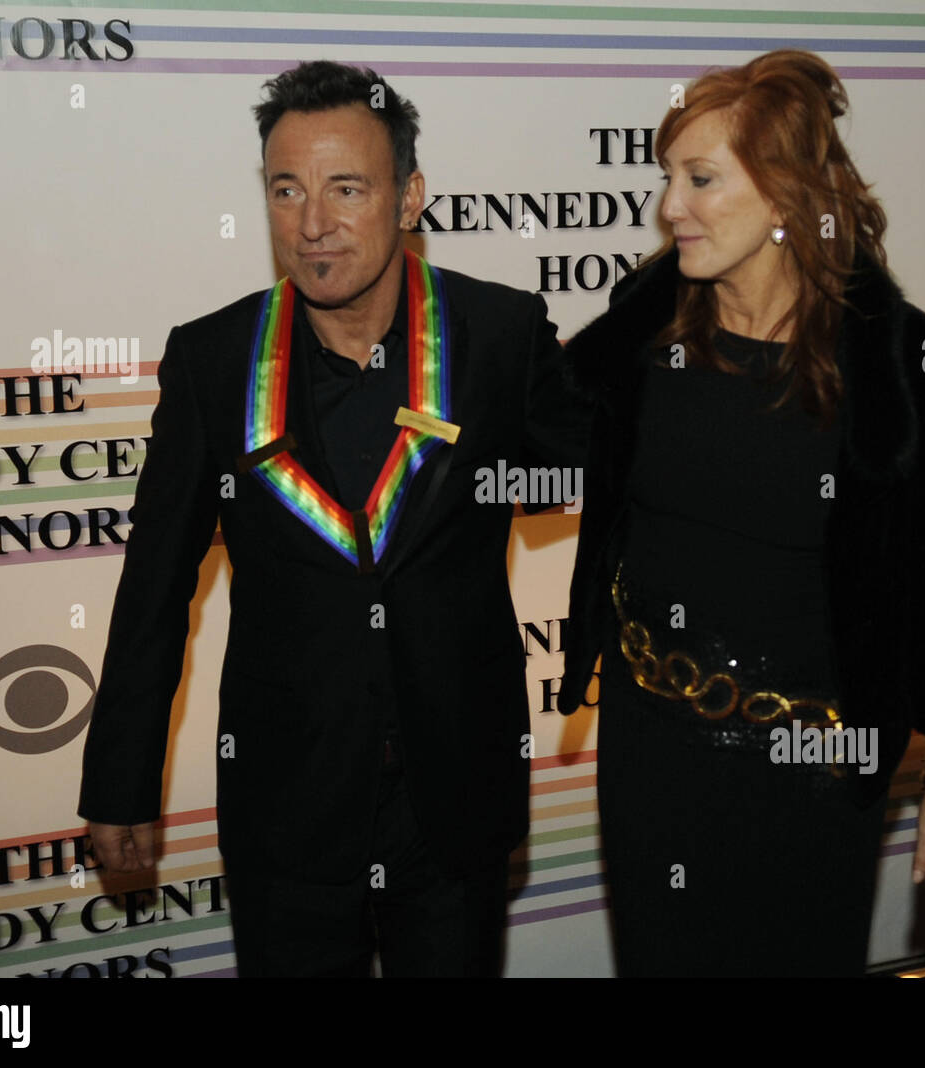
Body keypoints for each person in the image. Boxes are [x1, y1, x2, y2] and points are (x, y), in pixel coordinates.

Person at [77, 60, 589, 976]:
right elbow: (155, 584)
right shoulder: (212, 359)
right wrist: (121, 778)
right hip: (290, 808)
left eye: (346, 188)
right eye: (287, 190)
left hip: (455, 802)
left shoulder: (499, 336)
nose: (312, 223)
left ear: (407, 197)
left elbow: (590, 465)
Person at [557, 50, 925, 976]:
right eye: (667, 177)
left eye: (701, 179)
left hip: (818, 761)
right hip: (655, 746)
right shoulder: (647, 331)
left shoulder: (893, 356)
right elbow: (535, 431)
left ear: (788, 195)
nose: (671, 206)